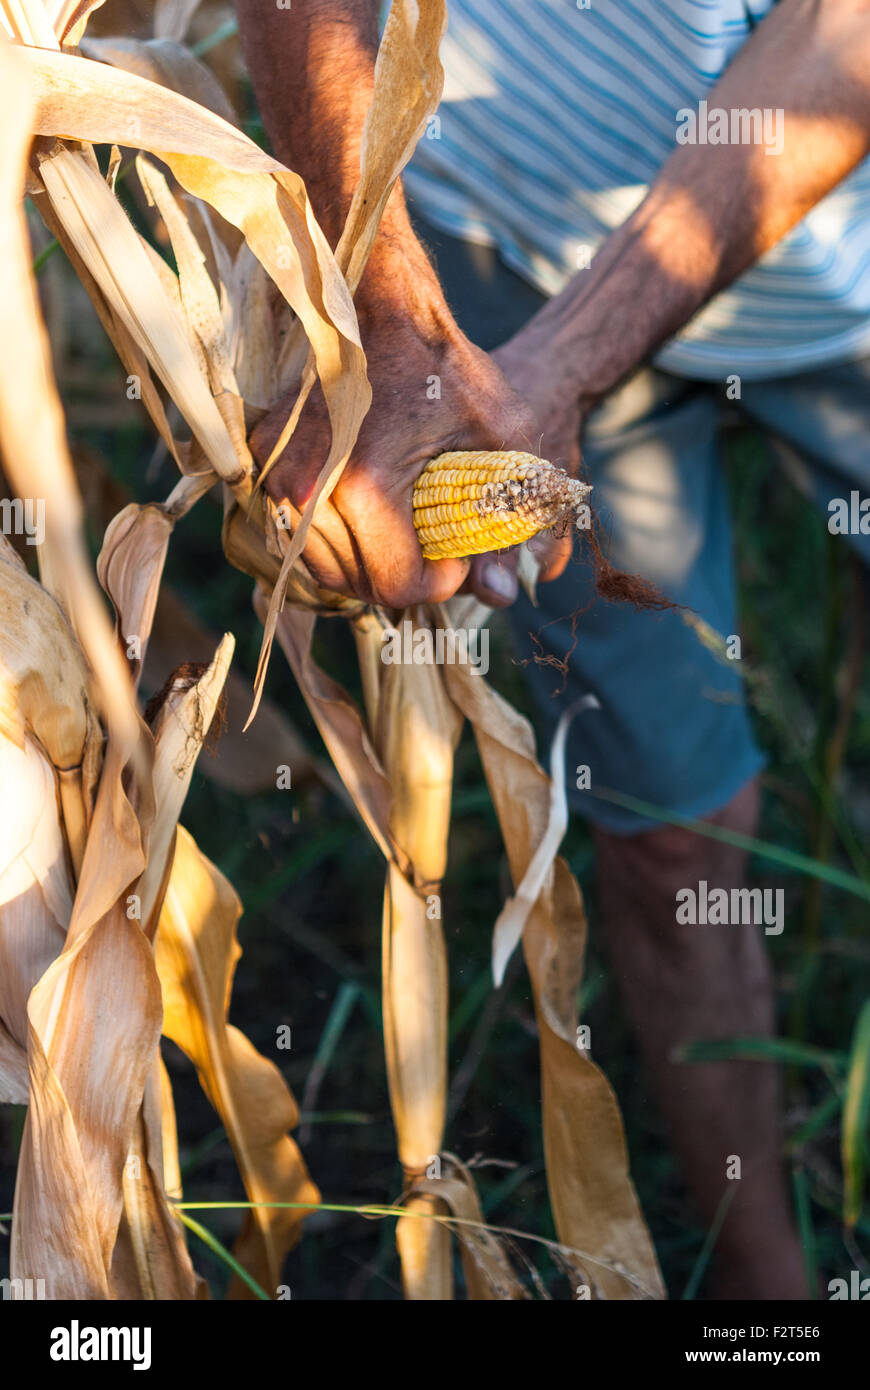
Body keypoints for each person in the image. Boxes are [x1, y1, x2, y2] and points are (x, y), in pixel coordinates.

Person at [235, 0, 870, 1298]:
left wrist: (564, 370)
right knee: (673, 831)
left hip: (835, 266)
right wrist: (383, 305)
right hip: (489, 245)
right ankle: (767, 1288)